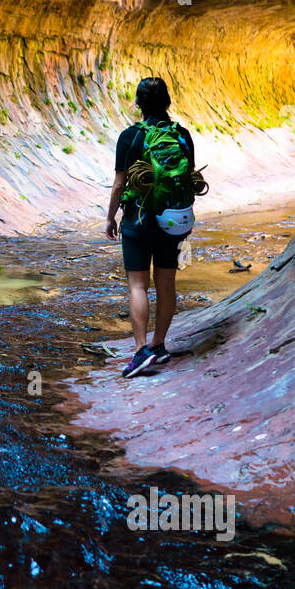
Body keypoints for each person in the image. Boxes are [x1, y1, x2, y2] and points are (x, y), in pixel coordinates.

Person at [105, 77, 196, 378]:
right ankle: (159, 345)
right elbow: (189, 180)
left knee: (138, 285)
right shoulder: (182, 135)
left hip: (138, 218)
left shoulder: (130, 136)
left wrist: (110, 217)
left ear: (139, 104)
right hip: (173, 219)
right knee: (167, 284)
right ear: (168, 102)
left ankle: (141, 350)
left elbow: (120, 184)